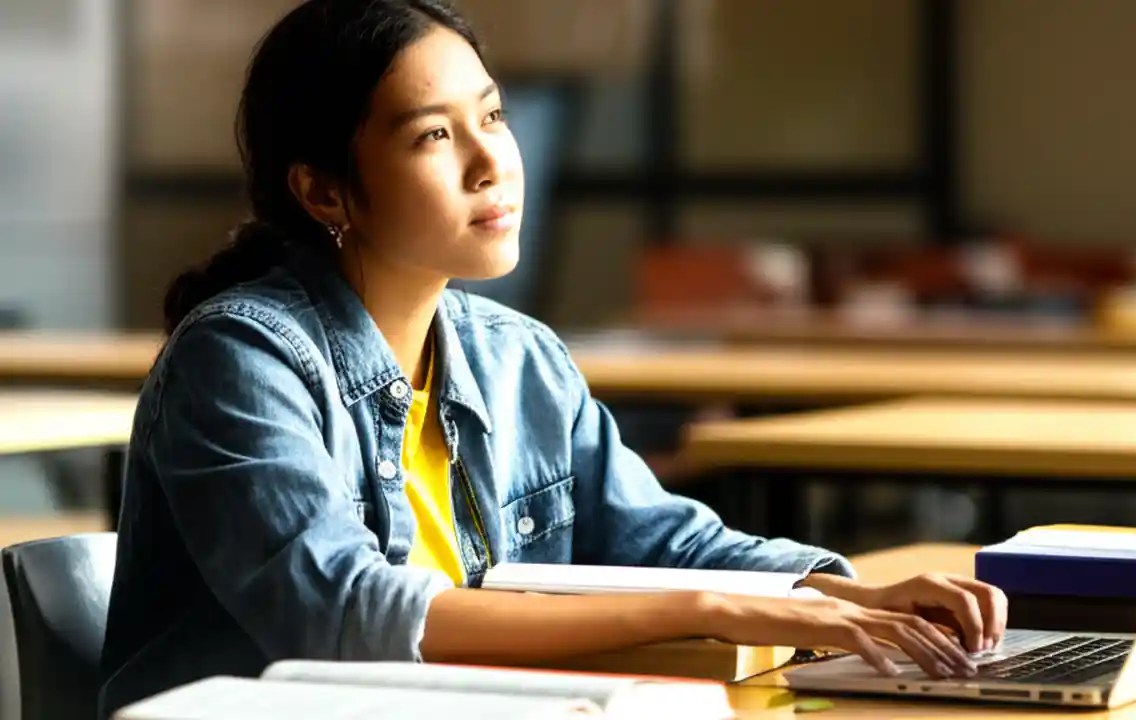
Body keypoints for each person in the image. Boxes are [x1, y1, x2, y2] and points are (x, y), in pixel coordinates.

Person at [99, 1, 1006, 715]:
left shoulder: (517, 357)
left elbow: (659, 540)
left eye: (491, 114)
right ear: (325, 189)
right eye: (433, 135)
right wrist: (713, 610)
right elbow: (342, 616)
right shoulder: (241, 356)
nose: (492, 160)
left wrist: (847, 592)